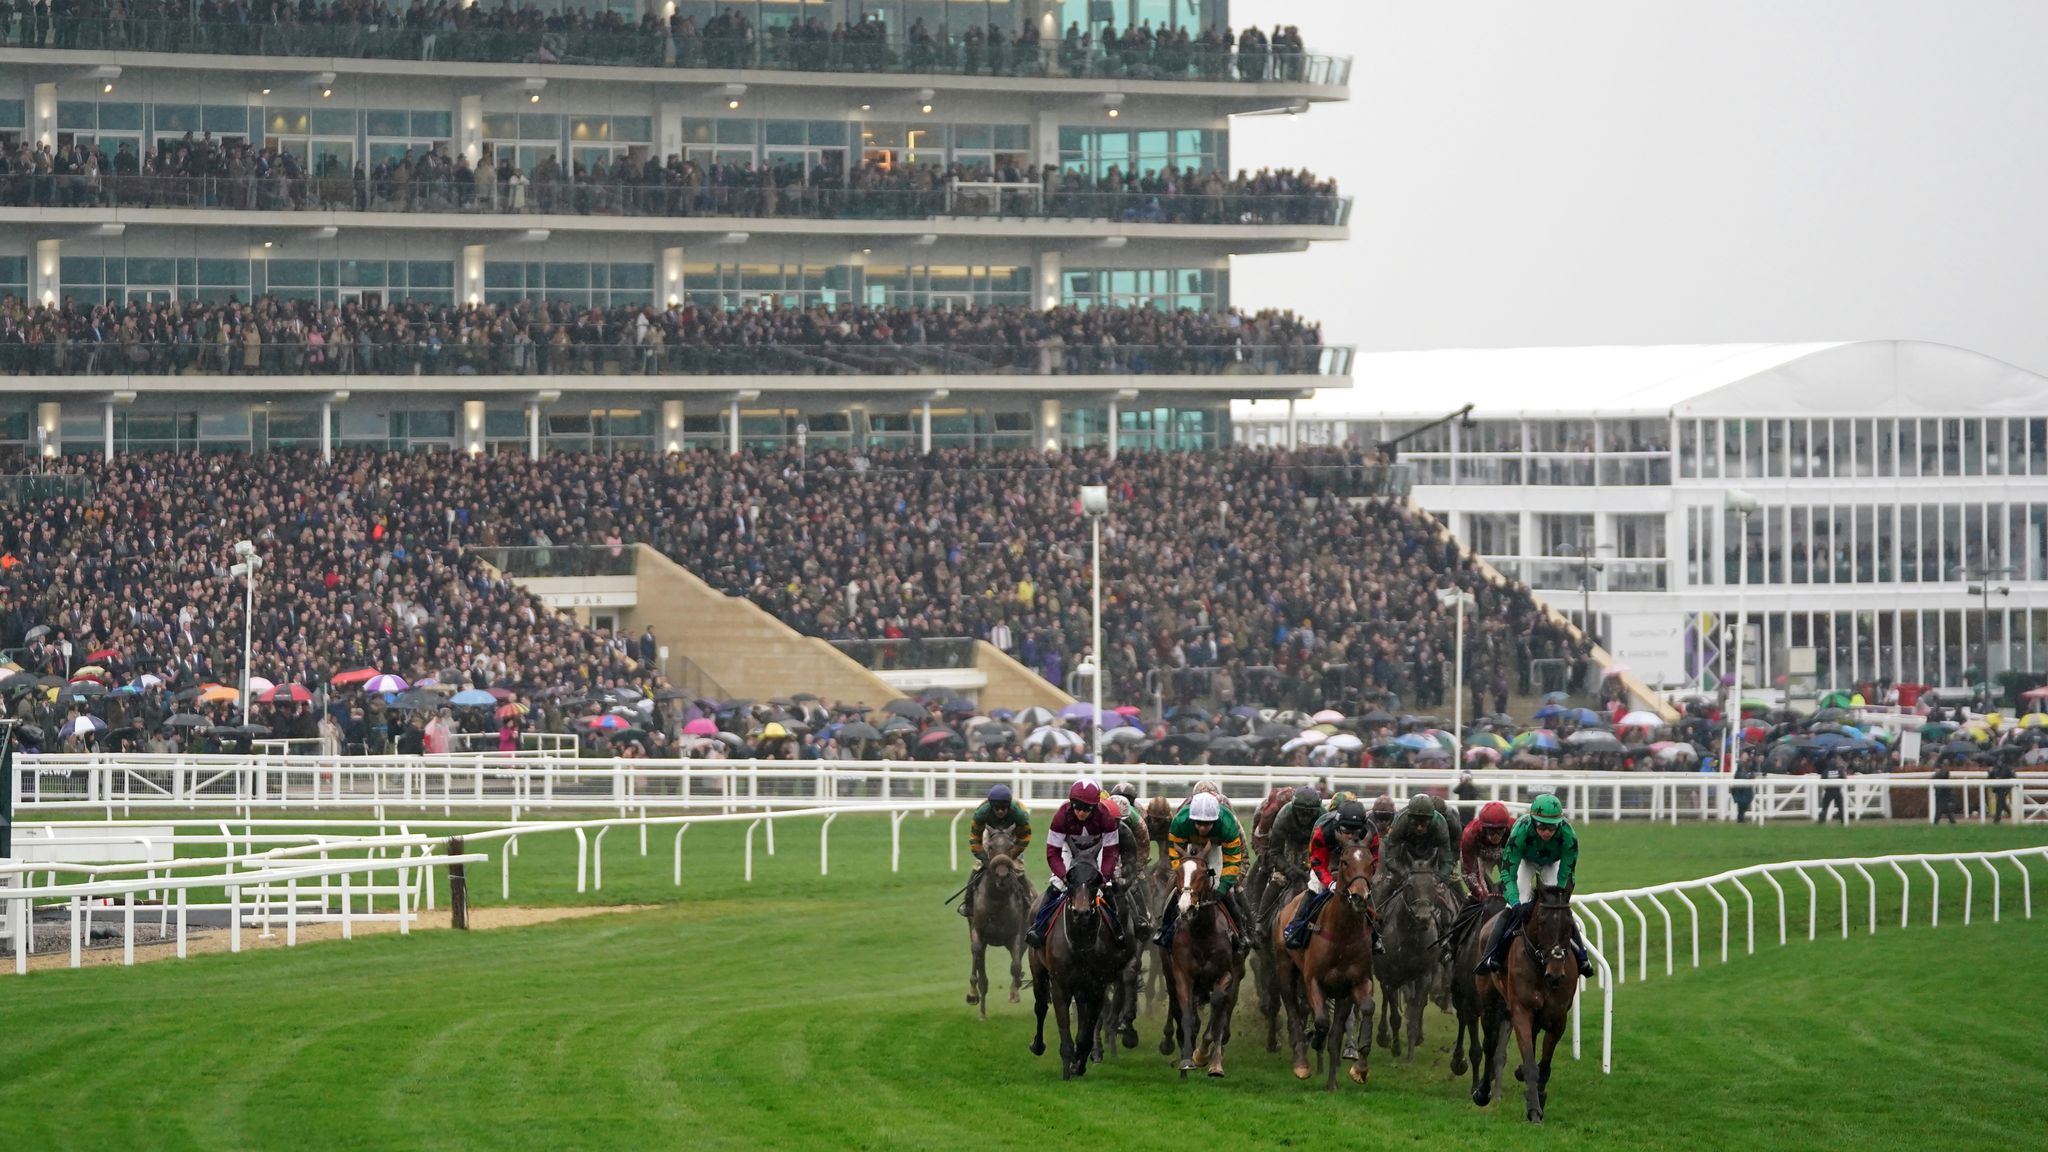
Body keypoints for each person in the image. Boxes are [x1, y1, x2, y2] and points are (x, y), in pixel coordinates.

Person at [1475, 794, 1592, 977]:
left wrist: (1560, 897)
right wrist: (1515, 904)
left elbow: (1567, 873)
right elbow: (1507, 874)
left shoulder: (1569, 835)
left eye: (1551, 827)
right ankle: (1492, 955)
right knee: (1512, 907)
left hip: (1553, 864)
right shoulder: (1520, 830)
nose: (1546, 832)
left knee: (1560, 909)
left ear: (1559, 823)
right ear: (1533, 822)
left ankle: (1583, 958)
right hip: (1525, 862)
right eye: (1542, 826)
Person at [1024, 778, 1122, 947]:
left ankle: (1117, 929)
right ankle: (1038, 928)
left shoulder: (1105, 817)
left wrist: (1104, 877)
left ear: (1094, 807)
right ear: (1071, 803)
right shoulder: (1061, 815)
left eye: (1086, 809)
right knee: (1057, 886)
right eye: (1077, 807)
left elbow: (1111, 852)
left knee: (1105, 889)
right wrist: (1063, 876)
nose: (1081, 812)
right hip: (1070, 850)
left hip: (1097, 851)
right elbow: (1052, 853)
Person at [1153, 790, 1252, 951]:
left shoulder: (1227, 825)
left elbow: (1232, 861)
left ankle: (1241, 932)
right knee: (1175, 887)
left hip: (1215, 850)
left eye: (1207, 824)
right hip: (1189, 849)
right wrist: (1182, 873)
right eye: (1198, 823)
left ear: (1216, 820)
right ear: (1192, 819)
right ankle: (1163, 929)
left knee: (1226, 889)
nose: (1202, 827)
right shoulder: (1180, 821)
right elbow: (1173, 851)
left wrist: (1222, 887)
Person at [1282, 798, 1383, 952]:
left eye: (1355, 832)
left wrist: (1362, 880)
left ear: (1362, 829)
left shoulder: (1371, 832)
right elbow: (1317, 862)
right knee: (1315, 886)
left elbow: (1373, 861)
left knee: (1365, 891)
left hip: (1356, 862)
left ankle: (1374, 935)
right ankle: (1296, 926)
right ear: (1337, 826)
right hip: (1328, 860)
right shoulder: (1322, 830)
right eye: (1346, 831)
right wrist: (1330, 883)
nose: (1350, 836)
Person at [958, 784, 1032, 917]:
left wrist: (1011, 856)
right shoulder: (982, 812)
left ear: (1009, 806)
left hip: (1013, 835)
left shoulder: (1019, 813)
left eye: (1004, 808)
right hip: (990, 835)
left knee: (1018, 868)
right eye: (997, 808)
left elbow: (1025, 837)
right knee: (978, 866)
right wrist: (984, 858)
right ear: (991, 806)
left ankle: (1028, 902)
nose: (1000, 812)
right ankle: (967, 903)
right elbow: (975, 838)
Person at [1381, 793, 1454, 882]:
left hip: (1431, 861)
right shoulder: (1401, 822)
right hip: (1405, 860)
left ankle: (1466, 896)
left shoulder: (1440, 824)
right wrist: (1403, 874)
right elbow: (1390, 858)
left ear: (1431, 819)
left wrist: (1438, 878)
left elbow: (1447, 861)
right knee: (1387, 886)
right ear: (1409, 818)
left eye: (1423, 822)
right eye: (1415, 822)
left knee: (1455, 884)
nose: (1419, 827)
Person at [1457, 800, 1514, 899]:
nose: (1496, 836)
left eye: (1500, 831)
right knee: (1483, 895)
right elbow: (1469, 872)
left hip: (1505, 854)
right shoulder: (1469, 834)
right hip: (1479, 857)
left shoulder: (1515, 828)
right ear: (1483, 828)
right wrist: (1481, 894)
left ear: (1506, 827)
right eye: (1491, 831)